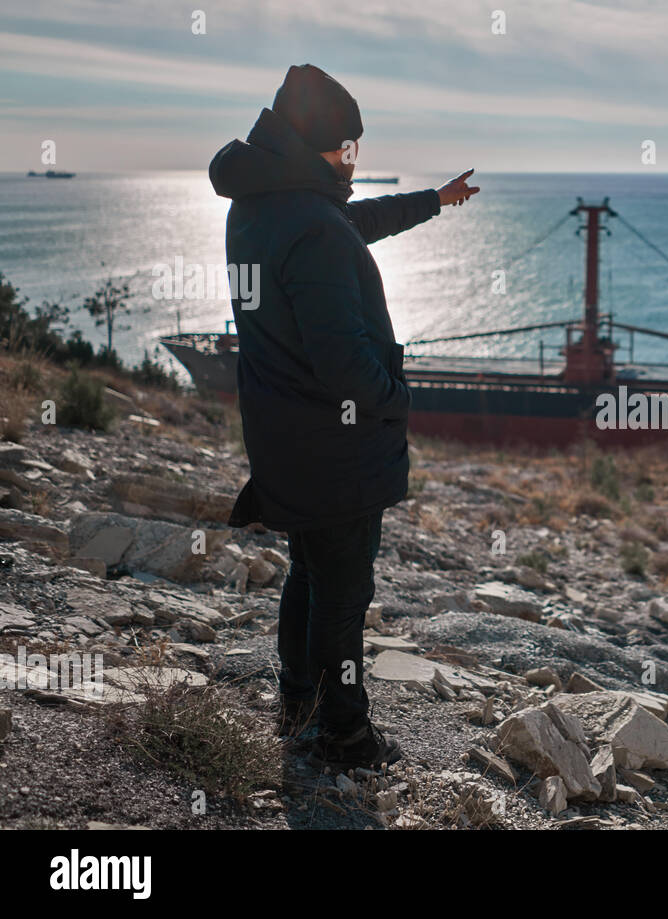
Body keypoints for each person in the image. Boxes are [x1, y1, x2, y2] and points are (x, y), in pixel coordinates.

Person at [209, 64, 479, 768]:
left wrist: (435, 200)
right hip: (336, 444)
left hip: (283, 436)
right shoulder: (315, 224)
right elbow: (344, 363)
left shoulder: (262, 204)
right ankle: (346, 736)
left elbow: (354, 222)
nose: (355, 162)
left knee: (309, 573)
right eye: (349, 148)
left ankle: (298, 703)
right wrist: (396, 398)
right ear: (319, 144)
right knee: (343, 596)